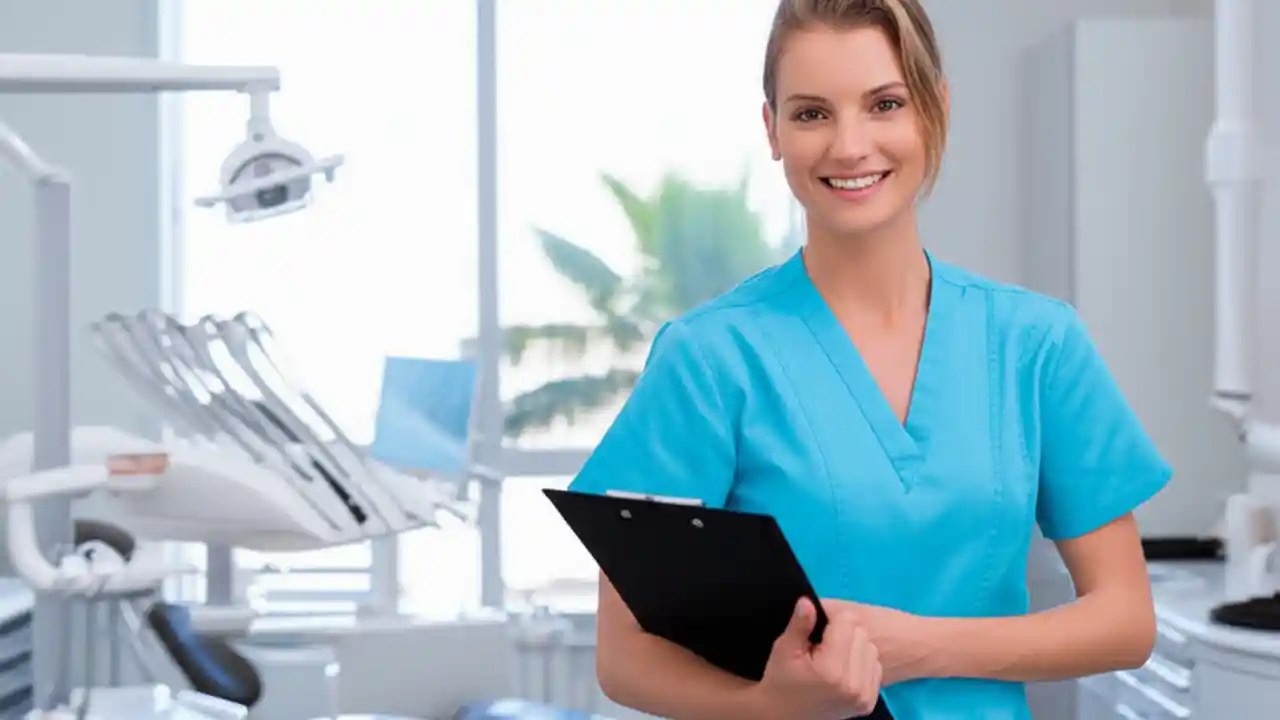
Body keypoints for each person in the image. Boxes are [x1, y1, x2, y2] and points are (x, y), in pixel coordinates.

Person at [566, 0, 1172, 718]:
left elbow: (1126, 620)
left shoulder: (1036, 345)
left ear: (935, 110)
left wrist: (920, 646)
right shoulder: (709, 358)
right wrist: (773, 705)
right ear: (773, 130)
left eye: (885, 104)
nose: (850, 146)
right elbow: (624, 655)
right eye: (812, 114)